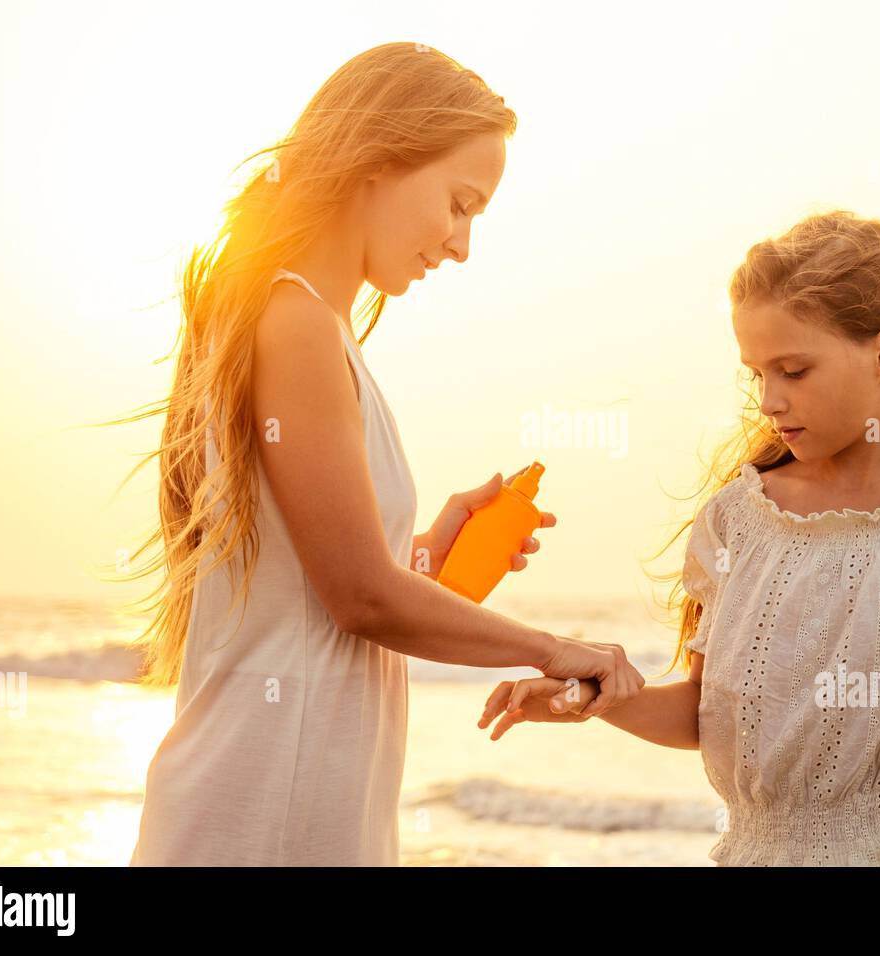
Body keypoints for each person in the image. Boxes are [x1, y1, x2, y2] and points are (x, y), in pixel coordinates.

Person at [121, 42, 643, 867]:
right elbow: (360, 598)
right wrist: (553, 648)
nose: (463, 244)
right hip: (262, 813)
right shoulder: (294, 325)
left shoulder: (311, 327)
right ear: (377, 162)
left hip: (295, 800)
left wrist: (430, 551)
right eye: (459, 203)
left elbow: (323, 594)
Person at [479, 210, 880, 867]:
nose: (769, 400)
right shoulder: (737, 518)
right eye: (758, 373)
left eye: (793, 370)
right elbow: (705, 715)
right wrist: (590, 699)